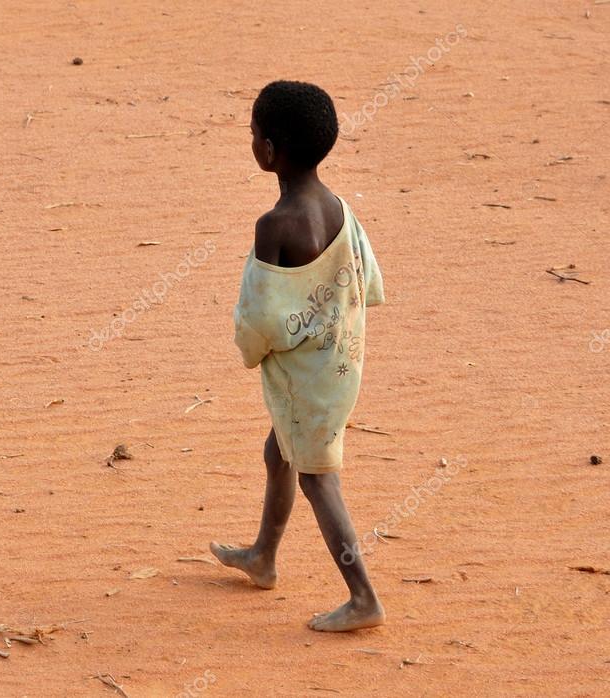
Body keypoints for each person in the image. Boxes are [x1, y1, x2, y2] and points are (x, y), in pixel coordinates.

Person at [210, 80, 386, 632]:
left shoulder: (275, 226)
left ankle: (363, 599)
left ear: (268, 150)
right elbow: (368, 276)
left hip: (306, 376)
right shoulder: (336, 205)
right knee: (280, 449)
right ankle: (263, 556)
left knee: (318, 479)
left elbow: (260, 317)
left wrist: (250, 350)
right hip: (338, 363)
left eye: (254, 133)